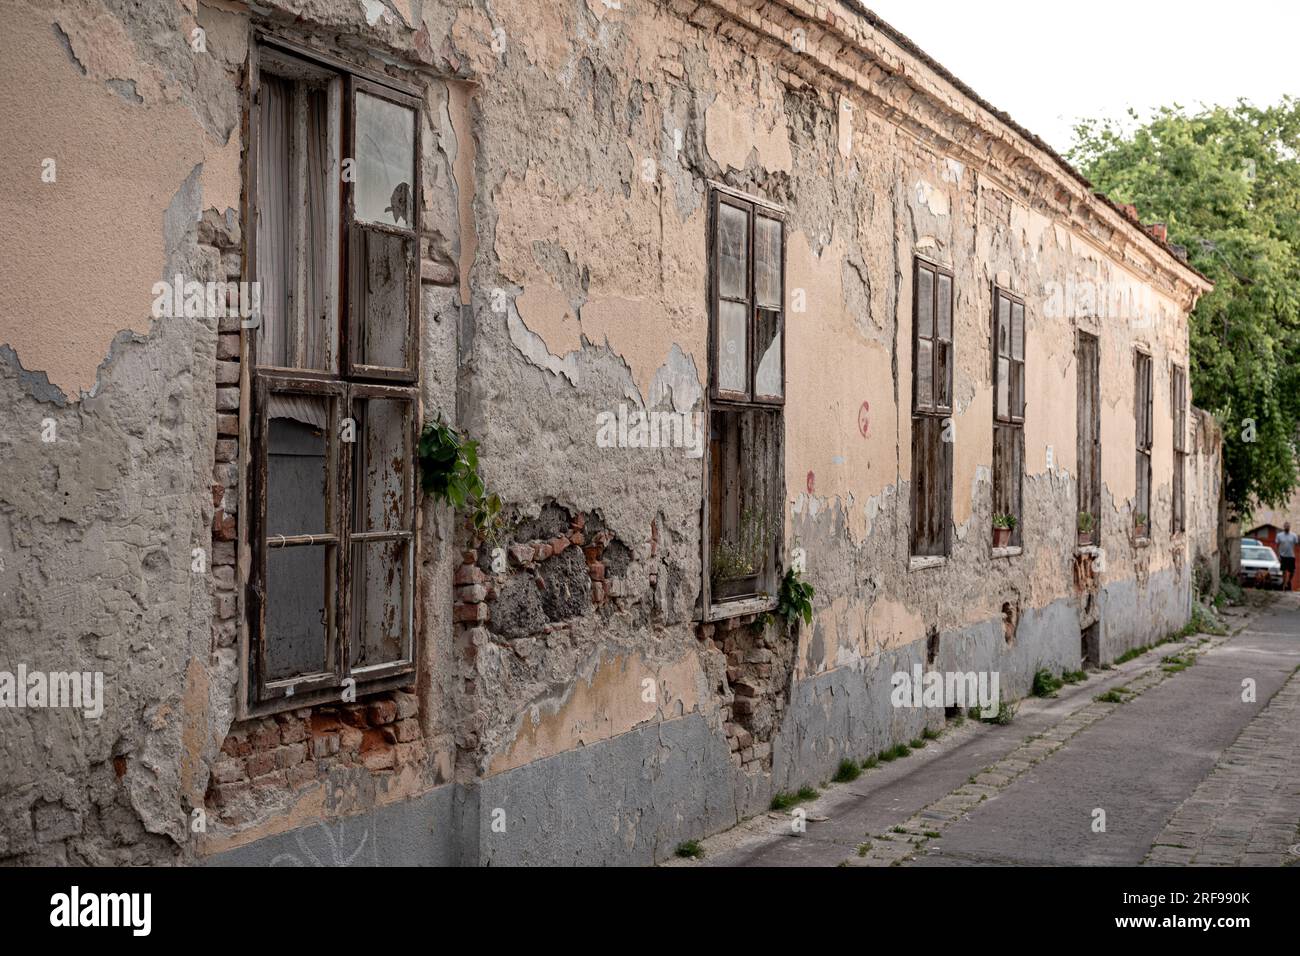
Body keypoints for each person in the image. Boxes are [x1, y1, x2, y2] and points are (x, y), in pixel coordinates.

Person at [1276, 522, 1299, 590]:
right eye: (1286, 526)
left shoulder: (1294, 535)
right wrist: (1278, 555)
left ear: (1290, 527)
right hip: (1283, 556)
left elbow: (1296, 545)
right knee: (1284, 571)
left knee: (1292, 571)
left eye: (1288, 526)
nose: (1287, 527)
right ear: (1284, 527)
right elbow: (1277, 546)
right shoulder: (1279, 535)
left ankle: (1288, 581)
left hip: (1291, 556)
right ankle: (1284, 584)